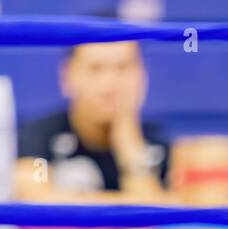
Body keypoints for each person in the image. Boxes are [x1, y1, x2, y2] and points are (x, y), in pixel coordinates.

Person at [15, 39, 169, 203]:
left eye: (122, 68)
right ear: (67, 75)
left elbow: (160, 215)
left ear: (142, 76)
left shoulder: (159, 148)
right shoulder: (38, 140)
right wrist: (135, 203)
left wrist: (130, 148)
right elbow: (38, 199)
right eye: (95, 69)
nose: (109, 85)